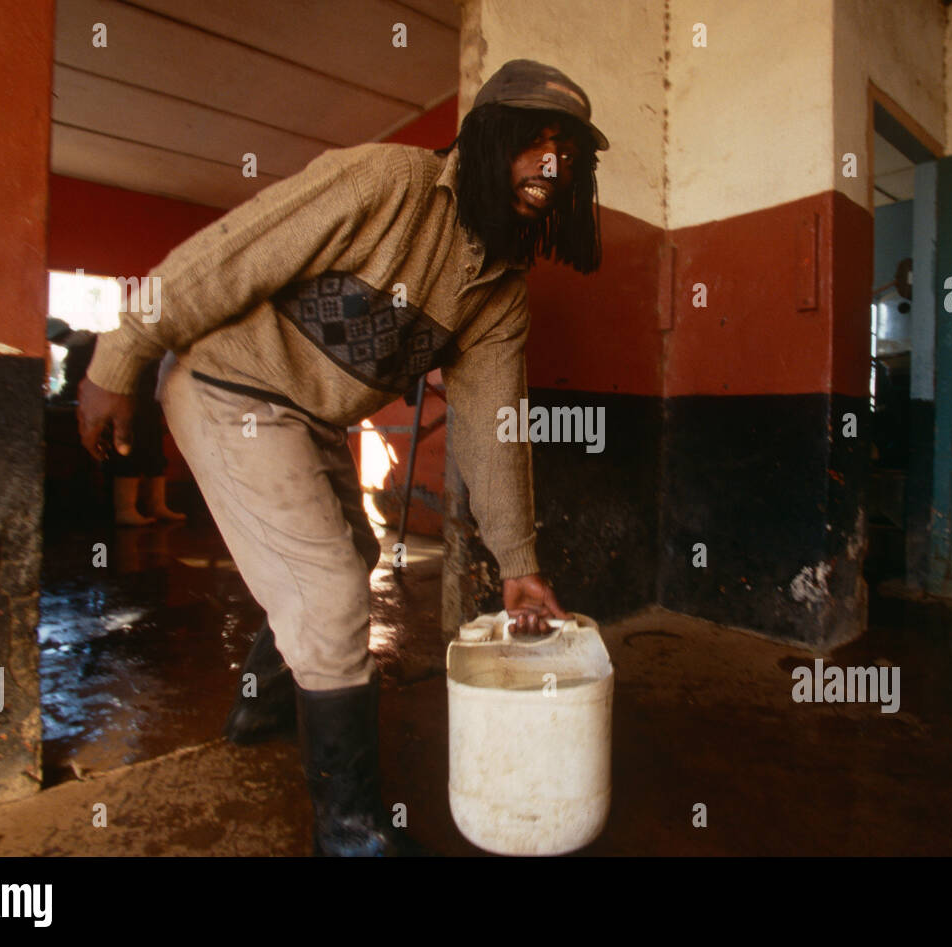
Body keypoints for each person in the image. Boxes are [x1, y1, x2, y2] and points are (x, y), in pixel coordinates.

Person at [76, 60, 608, 856]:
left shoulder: (501, 288)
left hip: (311, 417)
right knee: (327, 595)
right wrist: (118, 357)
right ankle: (352, 832)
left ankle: (261, 706)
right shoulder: (385, 180)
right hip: (228, 386)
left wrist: (518, 561)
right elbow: (233, 252)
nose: (552, 165)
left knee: (349, 554)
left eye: (568, 150)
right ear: (490, 138)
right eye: (535, 139)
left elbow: (493, 426)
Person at [48, 317, 184, 525]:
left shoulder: (84, 347)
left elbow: (76, 382)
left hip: (138, 402)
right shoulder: (105, 343)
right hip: (139, 402)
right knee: (140, 452)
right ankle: (141, 507)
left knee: (139, 452)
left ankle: (138, 508)